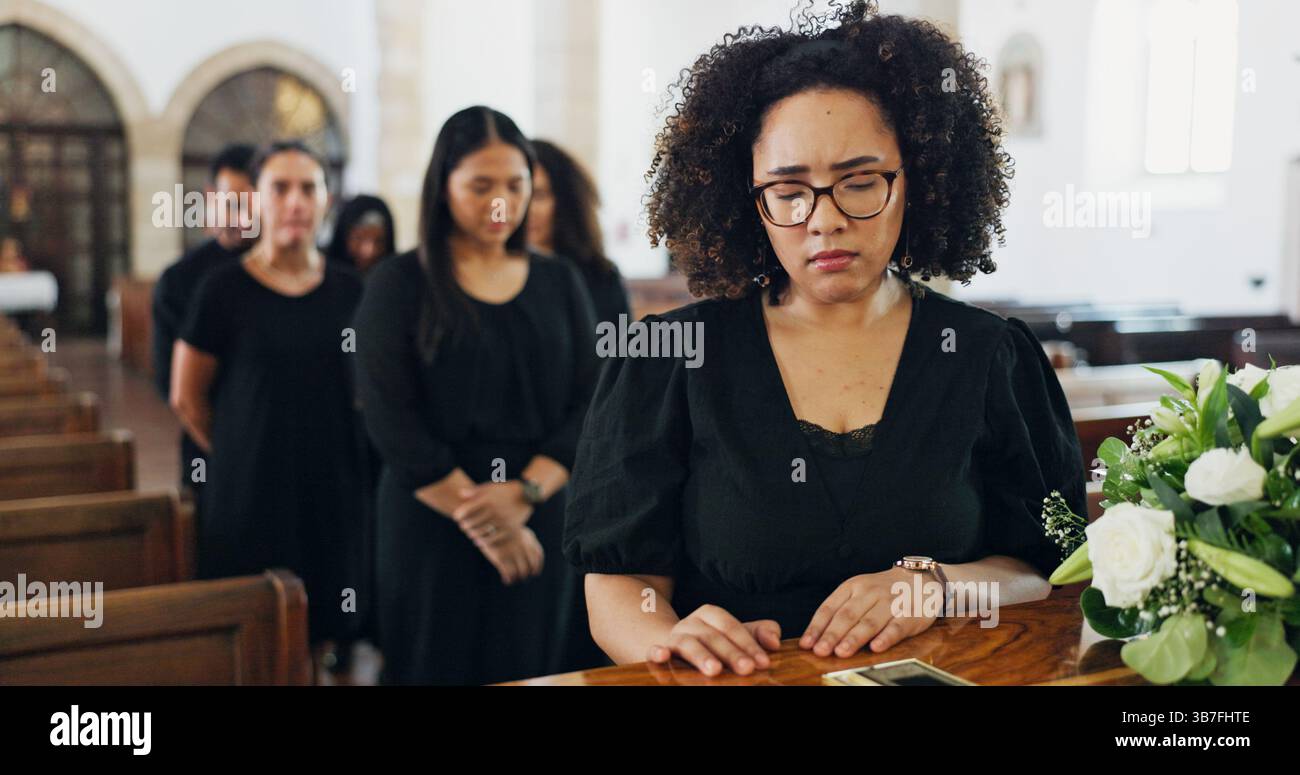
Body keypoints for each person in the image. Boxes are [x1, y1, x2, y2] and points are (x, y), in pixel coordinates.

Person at [563, 1, 1088, 677]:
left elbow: (1044, 569)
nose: (825, 219)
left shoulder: (991, 357)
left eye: (860, 182)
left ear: (918, 181)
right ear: (748, 199)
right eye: (788, 191)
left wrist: (934, 583)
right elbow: (615, 588)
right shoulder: (668, 360)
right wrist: (669, 642)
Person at [352, 106, 600, 685]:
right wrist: (491, 523)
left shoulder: (560, 282)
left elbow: (590, 402)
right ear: (443, 187)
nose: (500, 204)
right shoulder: (399, 283)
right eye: (480, 186)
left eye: (516, 186)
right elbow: (390, 417)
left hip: (540, 509)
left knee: (531, 669)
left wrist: (525, 495)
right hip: (432, 517)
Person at [170, 140, 365, 661]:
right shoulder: (222, 289)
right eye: (280, 188)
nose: (296, 202)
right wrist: (237, 451)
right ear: (255, 200)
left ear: (327, 200)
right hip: (250, 491)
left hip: (330, 488)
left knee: (320, 628)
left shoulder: (351, 290)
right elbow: (187, 398)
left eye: (309, 188)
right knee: (255, 637)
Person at [151, 144, 257, 498]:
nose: (242, 220)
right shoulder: (181, 280)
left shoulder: (288, 272)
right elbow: (175, 390)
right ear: (211, 197)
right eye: (233, 204)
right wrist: (232, 456)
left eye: (252, 207)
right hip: (210, 454)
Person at [527, 140, 630, 327]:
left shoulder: (602, 276)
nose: (526, 209)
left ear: (566, 200)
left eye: (539, 195)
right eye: (517, 193)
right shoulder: (494, 277)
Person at [325, 194, 396, 275]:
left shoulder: (395, 279)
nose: (369, 251)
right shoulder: (321, 276)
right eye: (359, 238)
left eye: (379, 241)